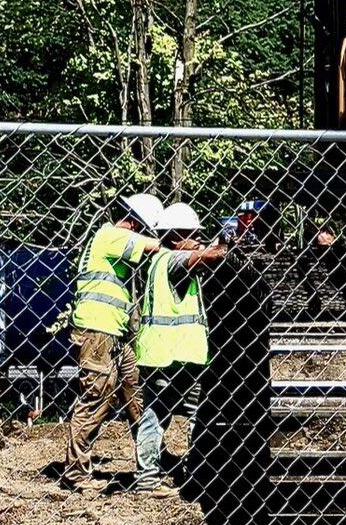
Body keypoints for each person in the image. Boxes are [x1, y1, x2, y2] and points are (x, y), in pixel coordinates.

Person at [61, 192, 164, 492]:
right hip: (96, 333)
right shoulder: (110, 235)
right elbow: (152, 247)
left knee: (137, 392)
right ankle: (76, 473)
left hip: (114, 334)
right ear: (134, 224)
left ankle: (149, 468)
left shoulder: (113, 242)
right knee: (96, 397)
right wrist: (172, 243)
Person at [132, 201, 226, 496]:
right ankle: (198, 474)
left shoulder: (158, 262)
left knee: (155, 412)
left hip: (158, 354)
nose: (198, 239)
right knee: (201, 412)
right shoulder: (172, 261)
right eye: (192, 233)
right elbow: (206, 257)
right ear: (174, 236)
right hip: (178, 356)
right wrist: (225, 246)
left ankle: (147, 477)